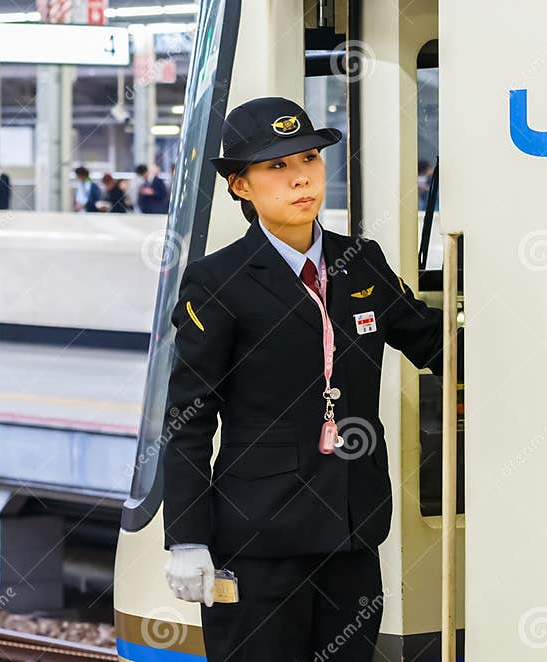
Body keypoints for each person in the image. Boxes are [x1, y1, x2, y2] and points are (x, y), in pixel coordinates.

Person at [161, 96, 444, 661]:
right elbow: (188, 418)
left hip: (353, 530)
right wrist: (187, 538)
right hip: (258, 540)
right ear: (241, 187)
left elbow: (432, 343)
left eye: (309, 159)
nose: (301, 179)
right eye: (276, 167)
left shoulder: (361, 261)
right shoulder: (217, 282)